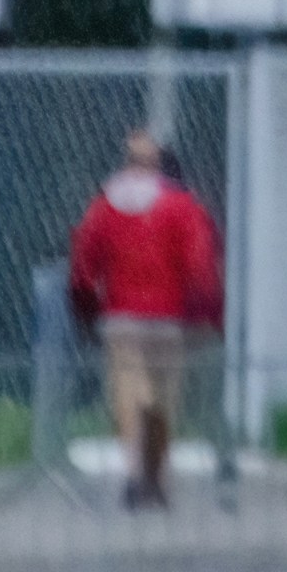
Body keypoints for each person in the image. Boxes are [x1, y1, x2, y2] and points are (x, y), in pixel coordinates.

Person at [65, 130, 224, 511]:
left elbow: (83, 262)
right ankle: (157, 477)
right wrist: (206, 314)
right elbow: (201, 266)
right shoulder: (182, 207)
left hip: (122, 320)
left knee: (128, 398)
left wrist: (86, 309)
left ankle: (135, 473)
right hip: (169, 322)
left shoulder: (104, 206)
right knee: (162, 402)